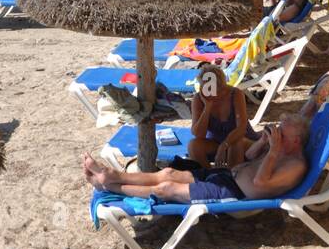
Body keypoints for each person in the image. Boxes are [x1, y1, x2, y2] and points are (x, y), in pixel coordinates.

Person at [83, 114, 310, 205]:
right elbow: (250, 157)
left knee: (167, 188)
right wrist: (264, 143)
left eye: (283, 132)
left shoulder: (295, 164)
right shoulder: (281, 149)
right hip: (225, 176)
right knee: (169, 173)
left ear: (296, 141)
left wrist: (273, 152)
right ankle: (113, 175)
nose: (278, 133)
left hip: (234, 194)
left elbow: (261, 183)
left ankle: (113, 186)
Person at [186, 64, 249, 168]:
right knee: (193, 145)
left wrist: (224, 145)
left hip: (241, 140)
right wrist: (207, 107)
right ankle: (210, 177)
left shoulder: (235, 94)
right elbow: (198, 134)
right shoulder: (199, 98)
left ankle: (231, 178)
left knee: (236, 143)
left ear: (222, 86)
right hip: (215, 142)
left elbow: (241, 129)